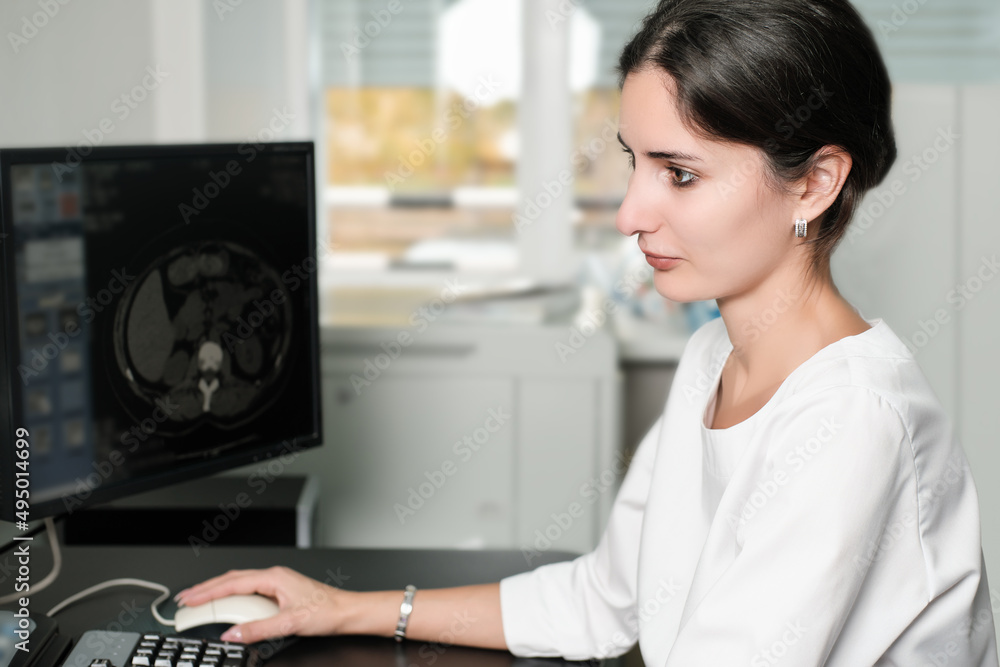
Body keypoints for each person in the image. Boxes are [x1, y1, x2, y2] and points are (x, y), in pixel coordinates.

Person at [175, 0, 1000, 663]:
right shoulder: (715, 353)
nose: (632, 213)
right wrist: (346, 607)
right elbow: (605, 598)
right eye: (634, 161)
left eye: (679, 173)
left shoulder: (851, 420)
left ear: (815, 183)